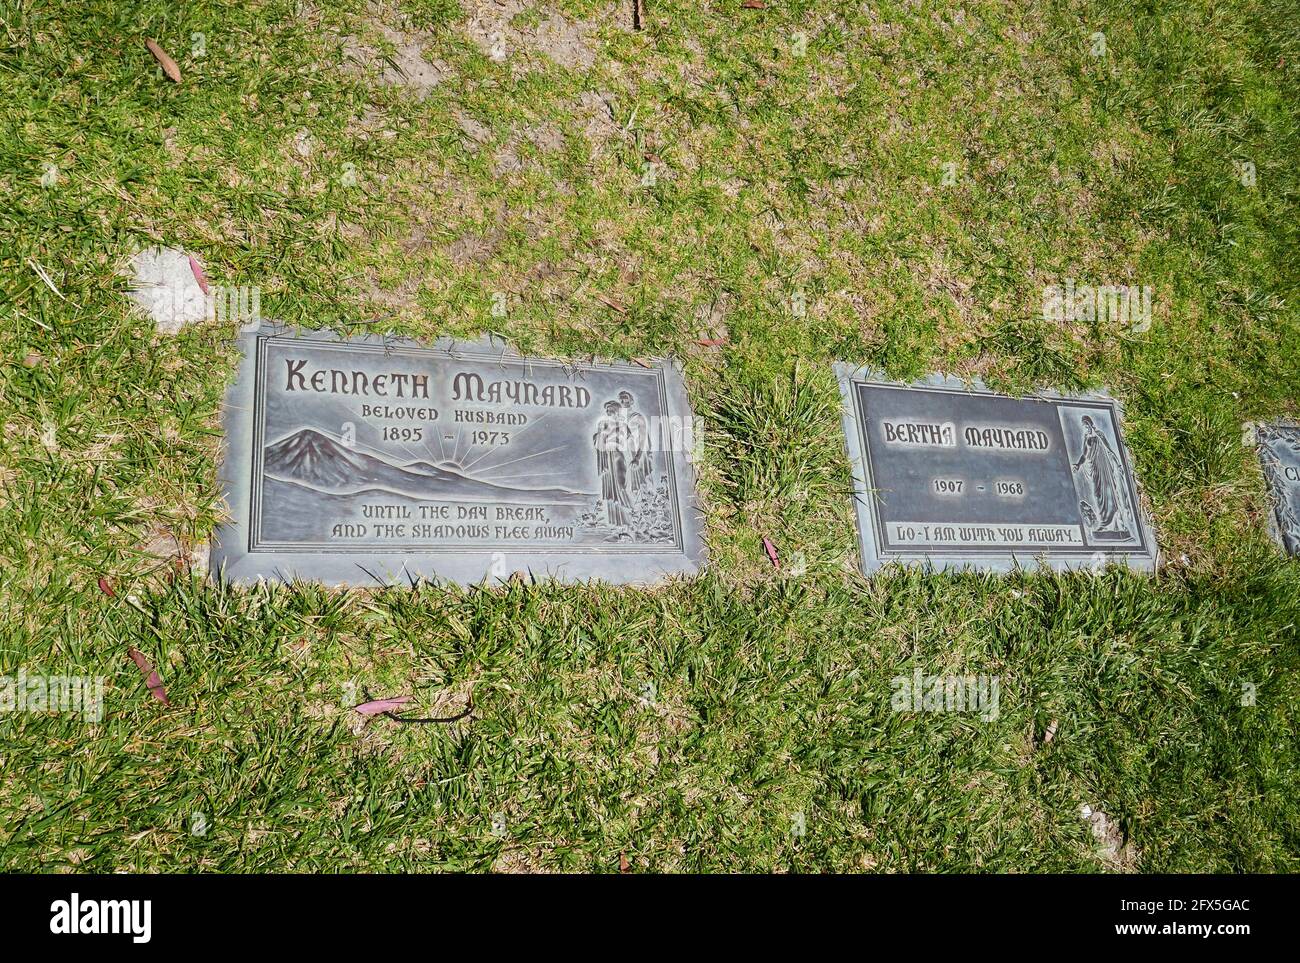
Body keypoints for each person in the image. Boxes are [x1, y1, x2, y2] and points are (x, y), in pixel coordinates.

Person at [1071, 415, 1133, 536]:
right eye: (1083, 426)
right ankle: (1105, 523)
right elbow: (1084, 454)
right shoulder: (1086, 437)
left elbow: (1109, 449)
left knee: (1109, 494)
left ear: (1090, 424)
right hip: (1095, 469)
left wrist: (1118, 464)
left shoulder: (1099, 434)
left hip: (1105, 469)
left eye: (1086, 425)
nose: (1085, 428)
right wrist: (1078, 464)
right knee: (1098, 495)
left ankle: (1115, 524)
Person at [593, 400, 633, 528]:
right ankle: (616, 523)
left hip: (617, 456)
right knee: (610, 490)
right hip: (607, 460)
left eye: (610, 410)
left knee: (620, 485)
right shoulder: (603, 426)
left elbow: (625, 440)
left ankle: (629, 517)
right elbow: (599, 446)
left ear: (616, 411)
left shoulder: (622, 426)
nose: (607, 412)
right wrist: (601, 432)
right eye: (607, 410)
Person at [618, 390, 653, 498]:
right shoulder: (620, 418)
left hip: (637, 454)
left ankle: (646, 502)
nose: (623, 400)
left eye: (625, 397)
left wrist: (638, 457)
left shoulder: (638, 417)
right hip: (625, 454)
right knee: (628, 483)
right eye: (620, 398)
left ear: (631, 401)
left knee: (641, 482)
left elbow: (643, 439)